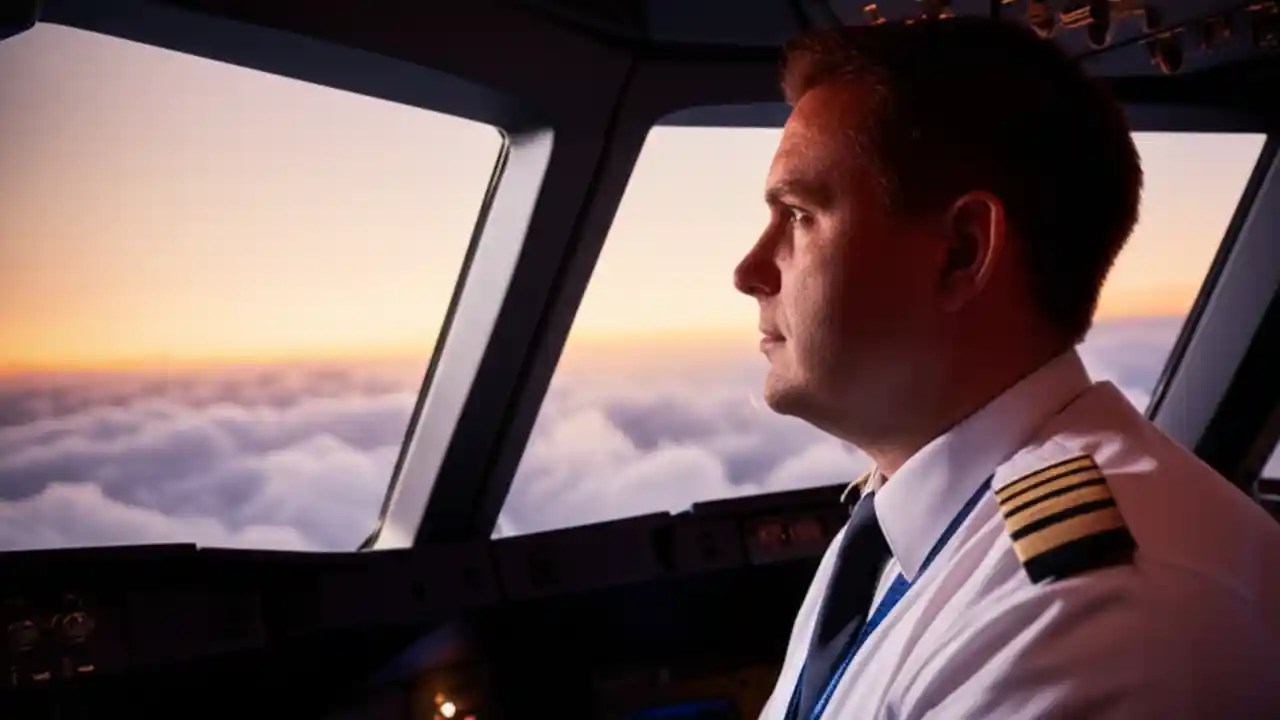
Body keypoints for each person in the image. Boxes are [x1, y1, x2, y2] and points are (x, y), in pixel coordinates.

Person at [732, 16, 1280, 719]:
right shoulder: (901, 527)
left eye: (799, 216)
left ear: (962, 251)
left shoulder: (1084, 616)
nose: (749, 270)